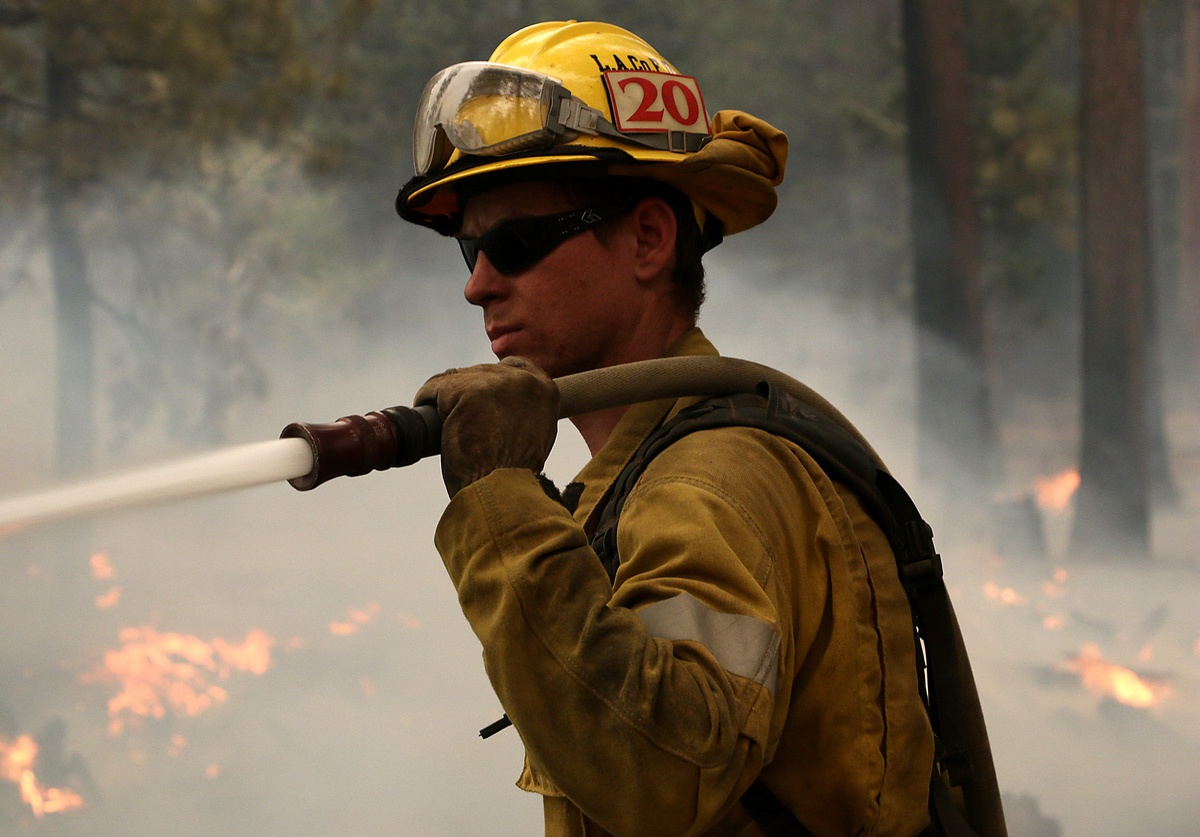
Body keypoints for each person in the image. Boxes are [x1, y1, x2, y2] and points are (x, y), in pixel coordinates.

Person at [398, 20, 1001, 837]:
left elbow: (661, 771)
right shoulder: (654, 471)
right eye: (468, 249)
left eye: (514, 242)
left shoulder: (705, 483)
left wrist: (498, 497)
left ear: (649, 239)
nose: (478, 285)